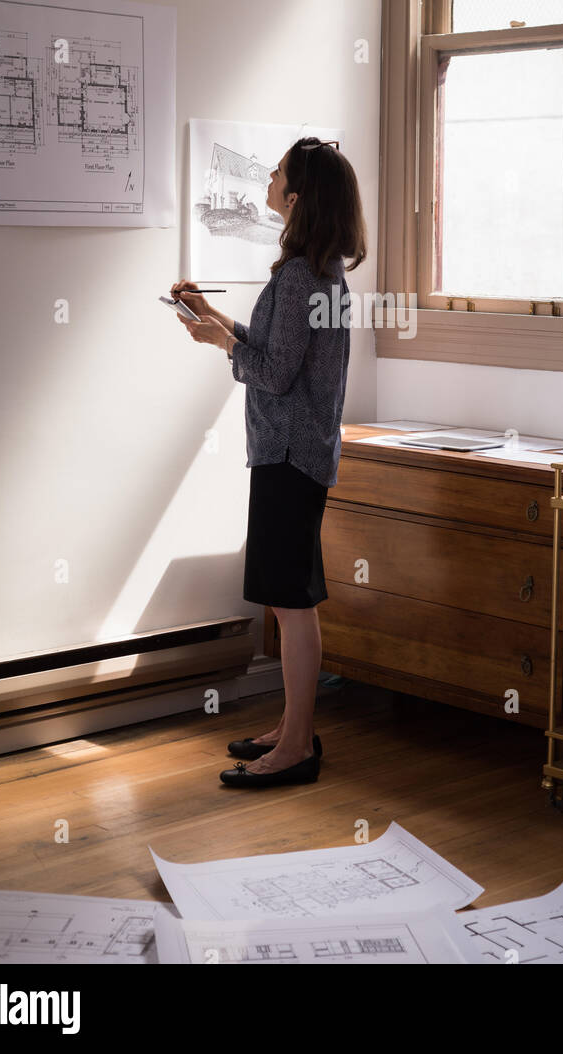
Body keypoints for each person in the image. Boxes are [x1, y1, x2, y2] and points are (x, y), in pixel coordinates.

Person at [172, 137, 366, 788]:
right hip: (305, 452)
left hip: (286, 454)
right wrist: (216, 321)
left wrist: (218, 344)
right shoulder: (326, 274)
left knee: (291, 605)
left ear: (298, 194)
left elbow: (274, 374)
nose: (270, 177)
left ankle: (296, 748)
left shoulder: (297, 277)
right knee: (291, 601)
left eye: (278, 171)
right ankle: (290, 731)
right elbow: (279, 352)